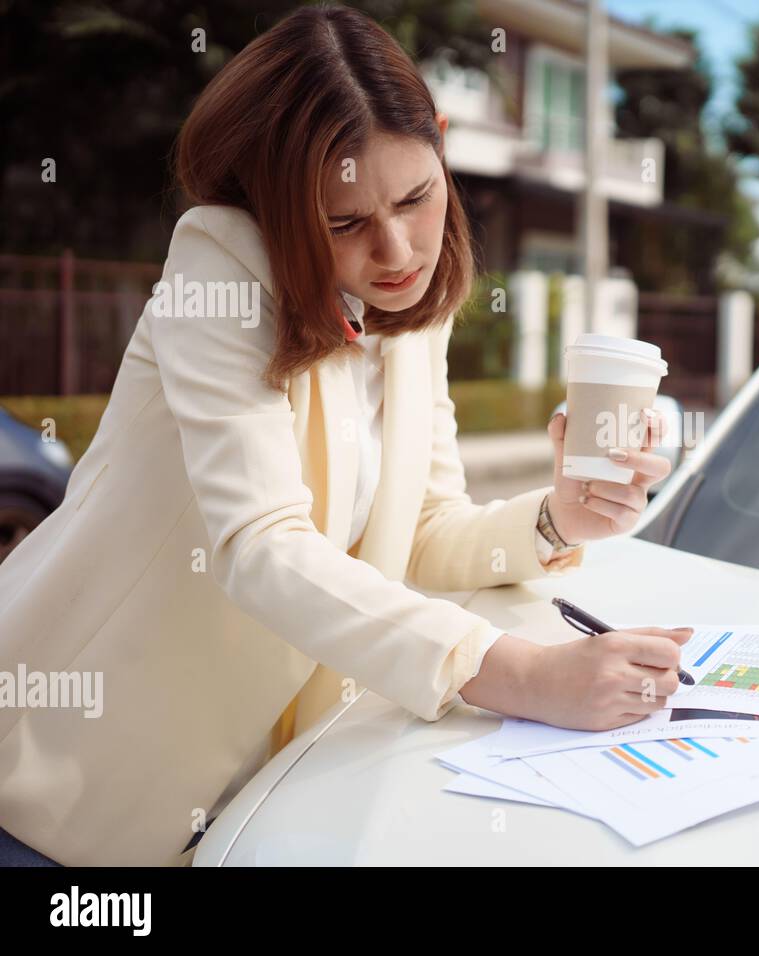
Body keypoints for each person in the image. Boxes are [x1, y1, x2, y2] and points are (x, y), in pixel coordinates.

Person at [0, 4, 689, 867]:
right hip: (62, 791)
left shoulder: (409, 317)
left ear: (441, 144)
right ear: (281, 209)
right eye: (344, 223)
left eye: (415, 196)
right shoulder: (219, 262)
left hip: (255, 807)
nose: (398, 248)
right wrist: (522, 674)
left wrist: (558, 518)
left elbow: (423, 532)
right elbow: (262, 545)